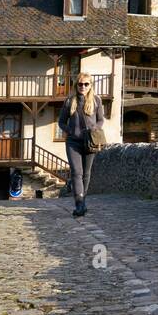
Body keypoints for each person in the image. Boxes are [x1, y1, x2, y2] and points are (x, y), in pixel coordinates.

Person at [57, 72, 104, 217]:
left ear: (90, 86)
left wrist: (95, 128)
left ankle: (83, 201)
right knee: (77, 173)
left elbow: (101, 120)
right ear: (76, 85)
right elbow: (61, 122)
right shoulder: (69, 101)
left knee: (86, 174)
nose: (82, 86)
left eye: (86, 84)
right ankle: (79, 204)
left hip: (90, 141)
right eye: (80, 84)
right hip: (73, 142)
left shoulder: (96, 100)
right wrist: (70, 130)